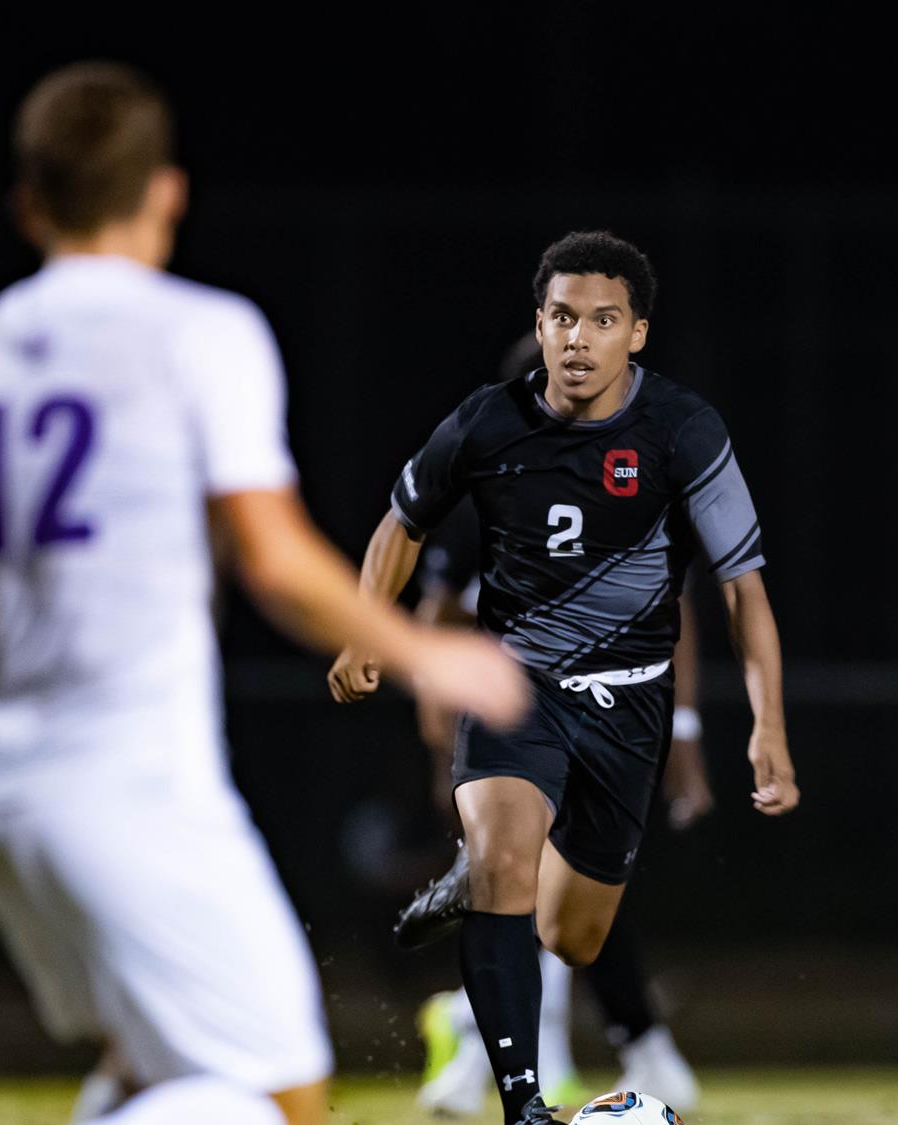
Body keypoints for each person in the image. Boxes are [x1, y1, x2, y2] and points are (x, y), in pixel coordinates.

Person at [0, 62, 527, 1125]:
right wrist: (424, 650)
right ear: (165, 191)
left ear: (27, 206)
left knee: (160, 1062)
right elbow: (272, 556)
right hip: (127, 780)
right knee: (282, 1093)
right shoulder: (202, 334)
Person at [328, 231, 799, 1125]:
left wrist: (764, 724)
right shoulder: (485, 422)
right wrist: (364, 632)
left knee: (570, 934)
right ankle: (525, 1106)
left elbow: (742, 590)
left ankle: (479, 890)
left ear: (639, 333)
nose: (579, 338)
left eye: (603, 319)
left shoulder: (684, 430)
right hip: (516, 691)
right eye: (561, 317)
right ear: (538, 327)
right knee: (506, 860)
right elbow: (402, 521)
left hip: (630, 706)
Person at [403, 339, 707, 1115]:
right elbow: (434, 622)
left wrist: (683, 732)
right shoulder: (481, 503)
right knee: (530, 885)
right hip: (517, 719)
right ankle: (522, 1063)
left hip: (608, 714)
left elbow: (675, 618)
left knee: (571, 906)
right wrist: (443, 744)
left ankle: (477, 1034)